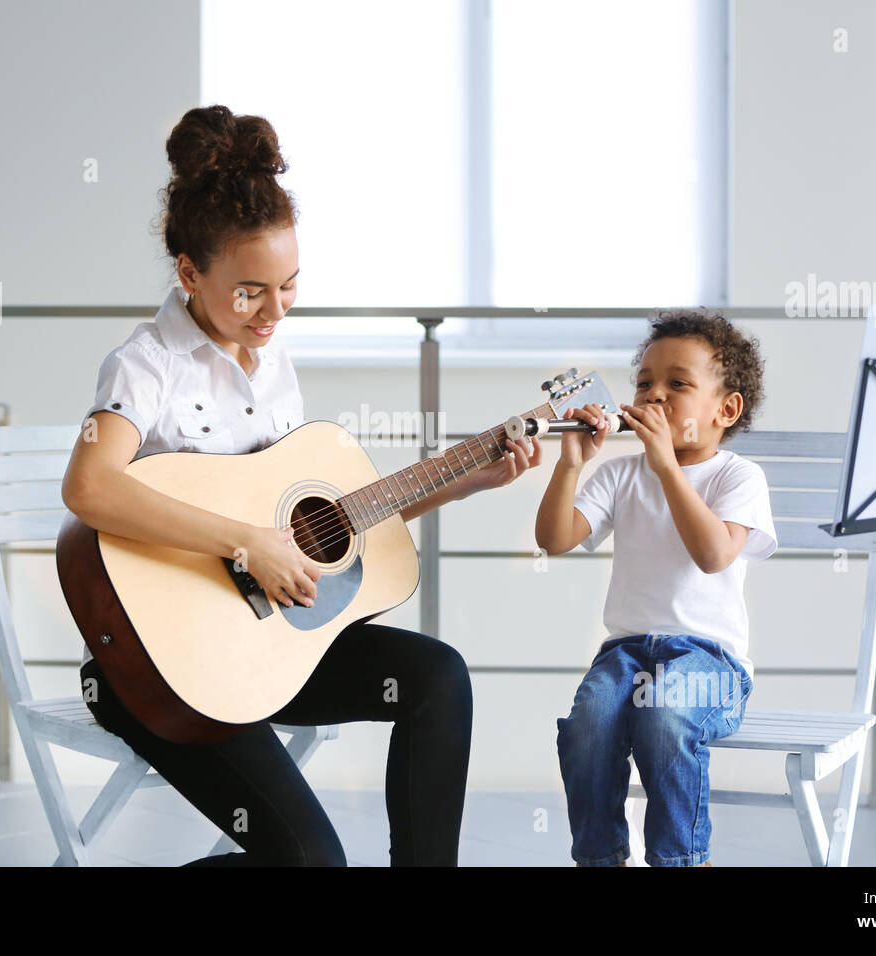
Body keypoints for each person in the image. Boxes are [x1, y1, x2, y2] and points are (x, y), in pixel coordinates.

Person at [60, 104, 542, 866]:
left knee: (437, 678)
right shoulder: (144, 363)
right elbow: (89, 488)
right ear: (190, 272)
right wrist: (247, 543)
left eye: (289, 286)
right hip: (156, 668)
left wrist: (463, 481)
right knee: (312, 860)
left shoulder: (272, 363)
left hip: (268, 648)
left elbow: (318, 523)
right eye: (250, 290)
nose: (275, 311)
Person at [534, 308, 777, 867]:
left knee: (665, 714)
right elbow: (554, 538)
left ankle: (682, 859)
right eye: (645, 382)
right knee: (587, 727)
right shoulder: (621, 474)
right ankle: (601, 857)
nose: (655, 394)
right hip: (624, 654)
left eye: (678, 384)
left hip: (709, 662)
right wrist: (571, 463)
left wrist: (667, 465)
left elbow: (714, 554)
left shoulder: (737, 476)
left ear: (726, 409)